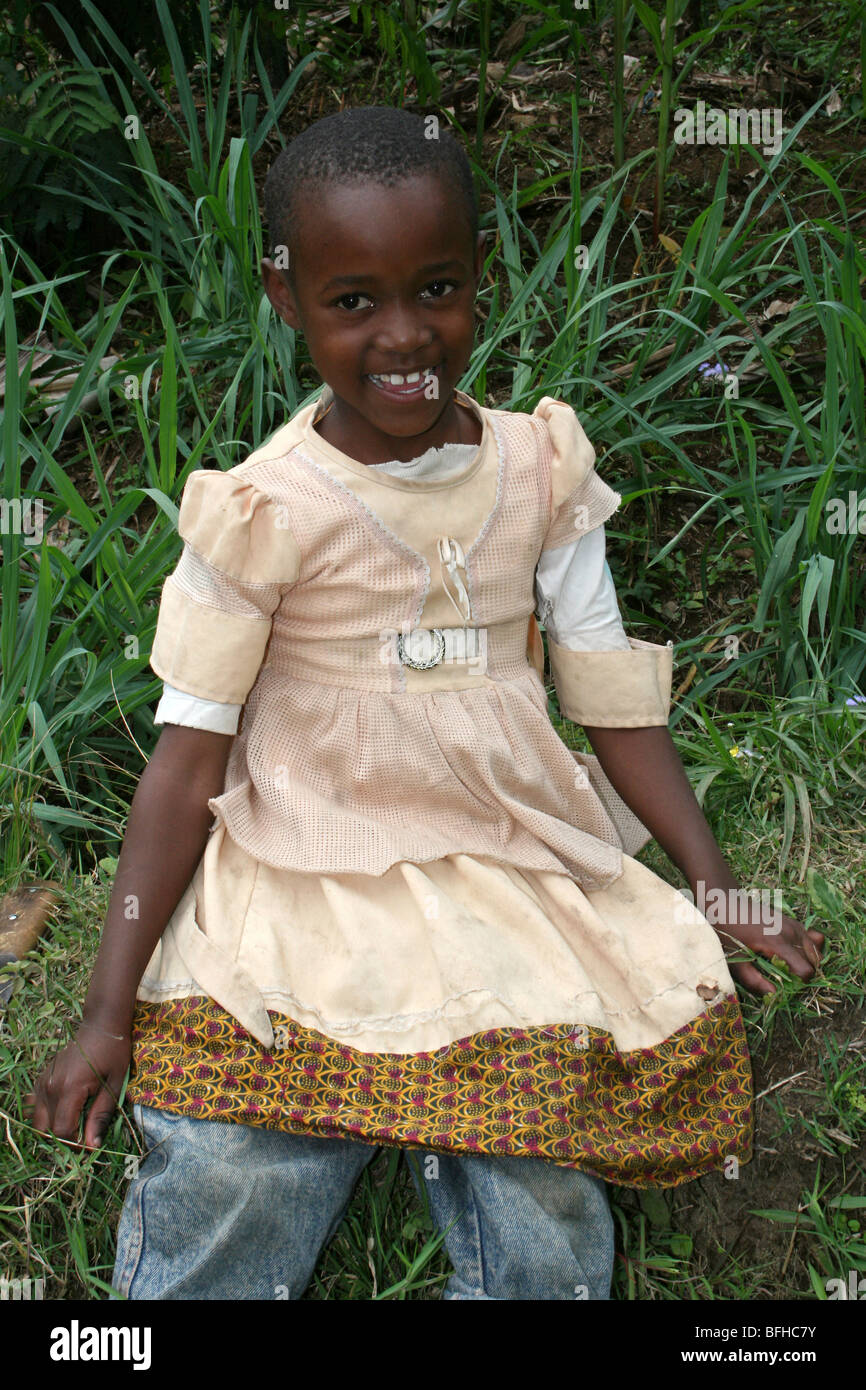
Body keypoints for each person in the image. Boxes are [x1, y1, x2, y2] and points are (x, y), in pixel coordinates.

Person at [26, 106, 824, 1302]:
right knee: (238, 1165)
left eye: (436, 289)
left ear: (478, 279)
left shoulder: (539, 469)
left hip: (503, 859)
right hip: (307, 870)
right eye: (354, 301)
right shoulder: (263, 512)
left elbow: (609, 702)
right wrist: (105, 1009)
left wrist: (712, 881)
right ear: (286, 297)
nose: (404, 335)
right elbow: (187, 766)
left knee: (541, 1184)